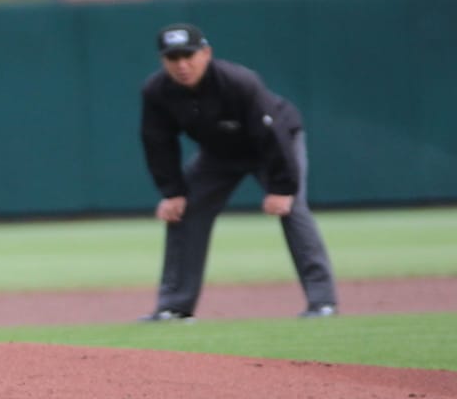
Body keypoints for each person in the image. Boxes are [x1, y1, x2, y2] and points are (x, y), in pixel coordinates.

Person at [137, 22, 339, 322]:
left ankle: (322, 303)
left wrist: (282, 188)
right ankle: (175, 307)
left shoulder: (238, 81)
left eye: (188, 56)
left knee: (293, 209)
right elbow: (157, 143)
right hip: (218, 154)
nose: (182, 65)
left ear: (206, 53)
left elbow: (274, 135)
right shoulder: (157, 91)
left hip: (272, 146)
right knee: (184, 212)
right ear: (162, 61)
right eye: (173, 58)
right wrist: (173, 192)